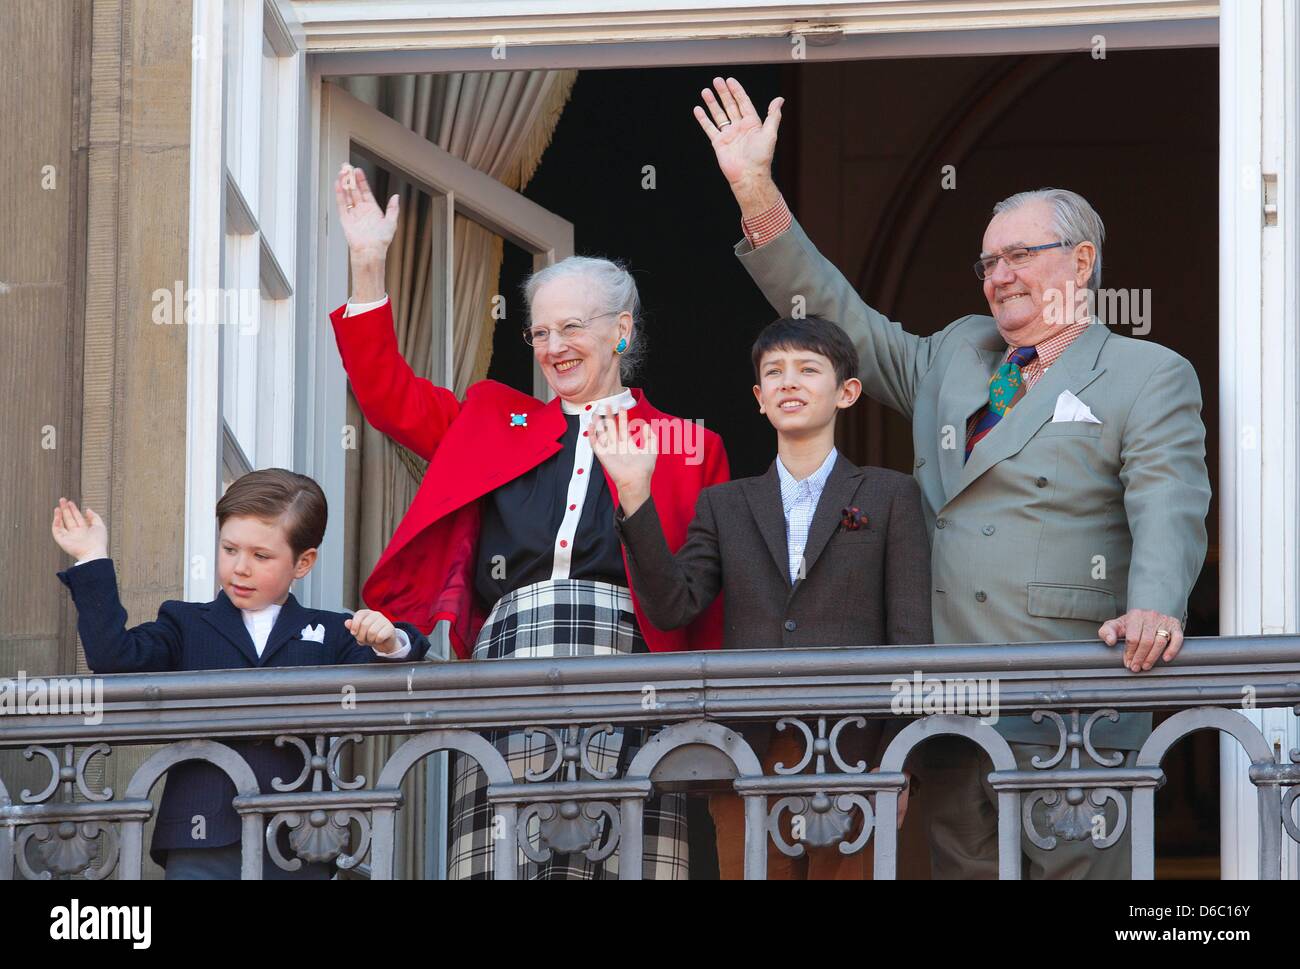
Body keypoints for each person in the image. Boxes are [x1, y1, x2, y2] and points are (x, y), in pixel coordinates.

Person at [693, 77, 1211, 879]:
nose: (998, 273)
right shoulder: (958, 355)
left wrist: (1156, 605)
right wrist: (755, 191)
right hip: (951, 709)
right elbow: (841, 314)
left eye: (1018, 255)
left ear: (1080, 262)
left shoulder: (1146, 371)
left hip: (1071, 699)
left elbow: (1168, 497)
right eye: (988, 260)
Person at [329, 163, 728, 879]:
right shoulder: (491, 418)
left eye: (572, 327)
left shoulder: (689, 443)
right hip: (510, 669)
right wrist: (367, 262)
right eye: (540, 332)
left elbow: (708, 593)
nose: (553, 348)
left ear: (622, 330)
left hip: (633, 677)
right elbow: (386, 396)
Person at [594, 315, 931, 879]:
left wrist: (900, 766)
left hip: (857, 754)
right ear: (758, 397)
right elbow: (673, 605)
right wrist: (635, 496)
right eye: (774, 372)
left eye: (807, 369)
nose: (788, 382)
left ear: (847, 392)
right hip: (747, 755)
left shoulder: (890, 494)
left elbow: (912, 638)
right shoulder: (725, 505)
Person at [51, 468, 430, 879]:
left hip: (299, 839)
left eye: (261, 556)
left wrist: (389, 641)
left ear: (303, 562)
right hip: (200, 838)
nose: (240, 568)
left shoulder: (331, 633)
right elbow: (114, 658)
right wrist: (91, 559)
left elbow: (393, 673)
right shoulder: (184, 622)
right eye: (229, 549)